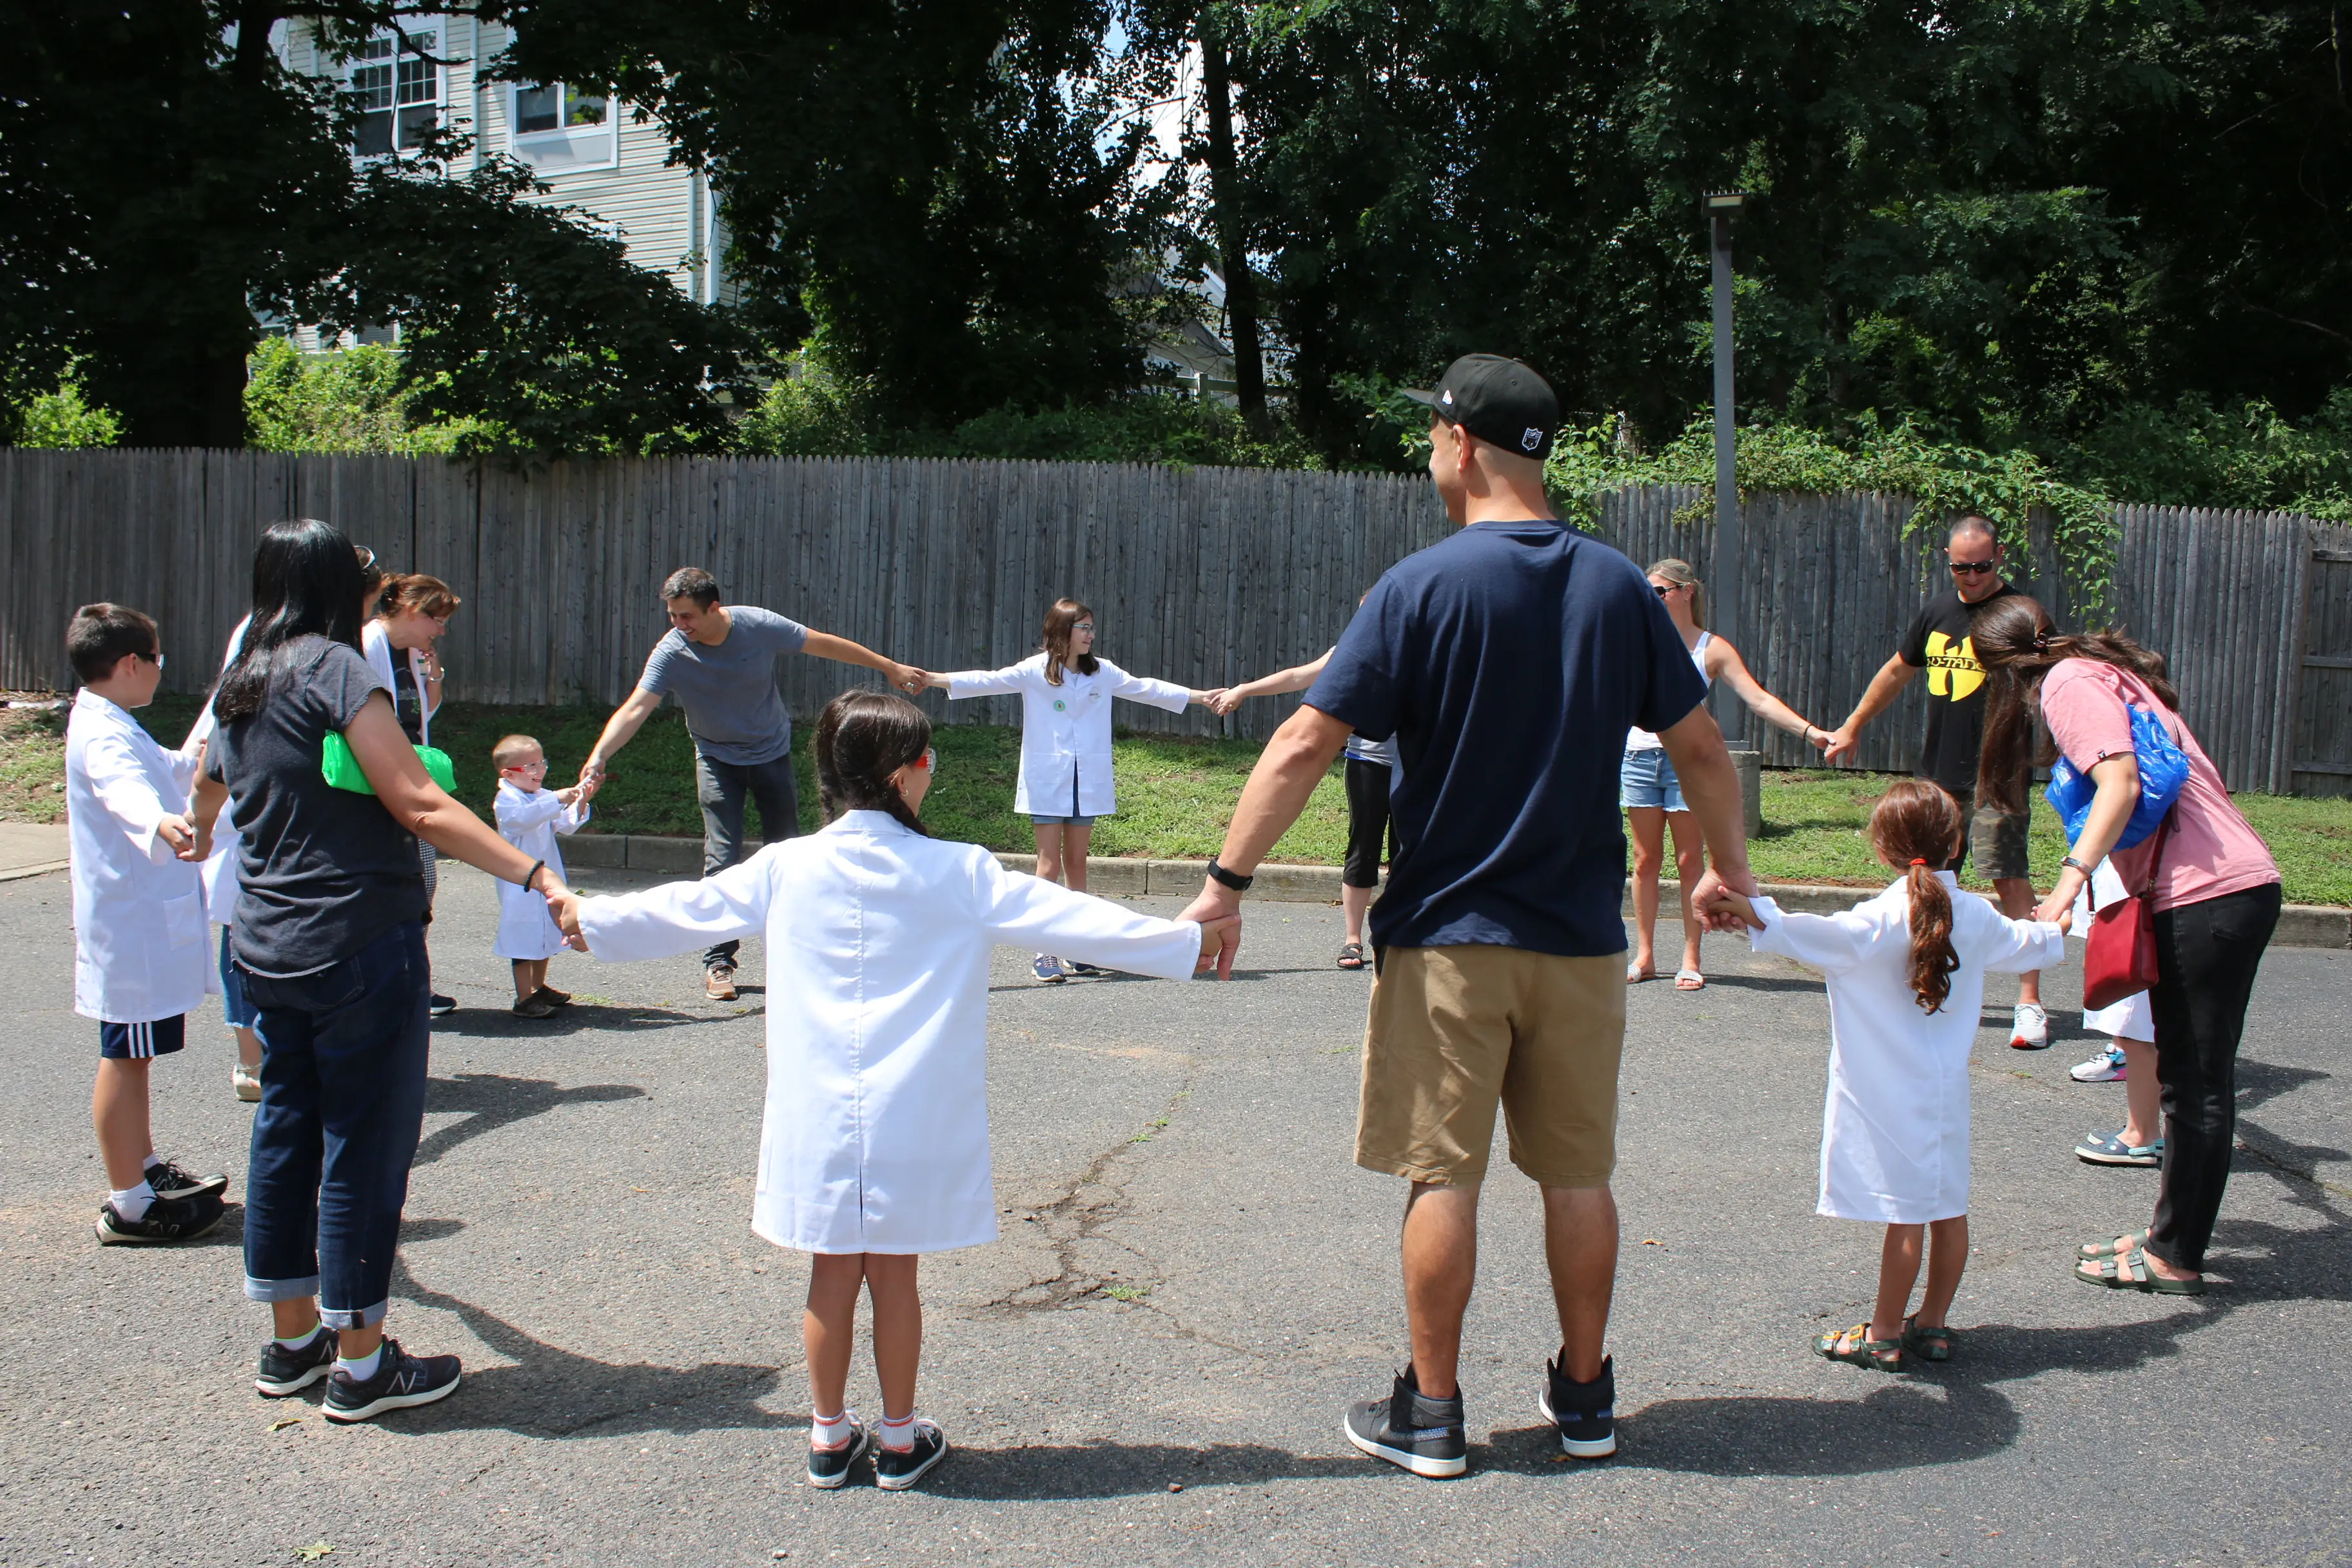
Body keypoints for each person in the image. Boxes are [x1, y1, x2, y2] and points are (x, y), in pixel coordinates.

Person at [1172, 354, 1758, 1476]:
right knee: (1578, 1173)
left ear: (1459, 444)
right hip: (1582, 939)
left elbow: (1304, 742)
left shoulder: (1418, 588)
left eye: (1430, 438)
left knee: (1443, 1175)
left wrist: (1226, 884)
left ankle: (1430, 1415)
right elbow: (1698, 748)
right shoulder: (1619, 589)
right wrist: (1718, 872)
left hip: (1447, 937)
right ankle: (1585, 1401)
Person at [548, 691, 1234, 1491]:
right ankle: (902, 1439)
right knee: (896, 1275)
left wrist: (588, 917)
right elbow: (1073, 919)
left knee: (830, 1271)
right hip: (913, 1115)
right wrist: (1191, 939)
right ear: (909, 773)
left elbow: (683, 909)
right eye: (927, 757)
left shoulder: (787, 864)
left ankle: (828, 1435)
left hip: (819, 1112)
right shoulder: (961, 868)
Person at [190, 518, 577, 1423]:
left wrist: (197, 832)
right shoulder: (336, 669)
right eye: (364, 579)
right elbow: (417, 800)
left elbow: (209, 785)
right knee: (363, 1142)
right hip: (358, 937)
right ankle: (361, 1363)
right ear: (336, 588)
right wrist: (535, 872)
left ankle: (293, 1343)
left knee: (285, 1128)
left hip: (268, 943)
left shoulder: (244, 678)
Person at [1968, 596, 2282, 1296]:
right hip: (2226, 888)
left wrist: (2070, 880)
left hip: (2208, 894)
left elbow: (2123, 781)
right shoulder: (2106, 671)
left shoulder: (2069, 682)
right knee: (2188, 1079)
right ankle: (2170, 1235)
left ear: (2001, 668)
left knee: (2196, 1086)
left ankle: (2174, 1255)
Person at [1701, 781, 2066, 1370]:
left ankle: (1885, 1333)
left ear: (1881, 850)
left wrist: (1751, 912)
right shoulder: (1976, 915)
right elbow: (2033, 943)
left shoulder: (1874, 922)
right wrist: (2061, 915)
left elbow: (1806, 933)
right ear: (1956, 843)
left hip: (1885, 1099)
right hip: (1947, 1093)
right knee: (1949, 1207)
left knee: (1906, 1214)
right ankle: (1936, 1324)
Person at [578, 567, 928, 1002]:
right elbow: (635, 708)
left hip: (771, 754)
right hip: (716, 758)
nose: (678, 626)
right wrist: (599, 756)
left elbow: (824, 643)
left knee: (790, 852)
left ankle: (803, 953)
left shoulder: (757, 625)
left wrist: (888, 667)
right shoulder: (671, 652)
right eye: (673, 616)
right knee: (722, 855)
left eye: (686, 616)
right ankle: (718, 960)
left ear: (714, 609)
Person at [1819, 516, 2052, 1049]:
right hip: (1940, 776)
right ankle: (1927, 983)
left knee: (2007, 877)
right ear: (1947, 558)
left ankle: (2030, 1004)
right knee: (1927, 881)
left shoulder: (2023, 615)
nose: (1970, 576)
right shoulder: (1937, 611)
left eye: (1981, 566)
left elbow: (2051, 684)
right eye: (1960, 566)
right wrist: (1853, 725)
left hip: (1999, 776)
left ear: (2000, 559)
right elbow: (1898, 670)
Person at [930, 600, 1222, 984]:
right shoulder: (1033, 672)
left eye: (1091, 628)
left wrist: (1202, 697)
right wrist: (930, 679)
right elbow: (987, 680)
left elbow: (1146, 689)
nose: (1090, 634)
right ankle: (1044, 950)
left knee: (1079, 863)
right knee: (1048, 864)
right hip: (1047, 779)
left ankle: (1079, 947)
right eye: (1083, 627)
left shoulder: (1102, 673)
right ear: (1061, 631)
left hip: (1087, 780)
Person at [65, 603, 231, 1243]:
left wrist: (221, 705)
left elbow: (173, 765)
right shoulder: (104, 734)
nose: (161, 672)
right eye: (158, 660)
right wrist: (161, 822)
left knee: (134, 1055)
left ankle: (143, 1165)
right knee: (125, 1057)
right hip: (129, 931)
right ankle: (129, 1202)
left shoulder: (112, 719)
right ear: (131, 662)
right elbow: (126, 789)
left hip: (139, 923)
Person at [1622, 558, 1824, 990]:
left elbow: (1758, 699)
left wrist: (1809, 732)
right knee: (1644, 861)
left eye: (1660, 591)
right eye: (1647, 593)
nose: (1652, 600)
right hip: (1638, 760)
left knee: (1689, 860)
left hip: (1686, 764)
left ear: (1686, 592)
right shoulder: (1638, 641)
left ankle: (1691, 958)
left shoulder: (1710, 648)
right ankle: (1645, 955)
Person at [1211, 638, 1396, 970]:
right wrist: (1243, 690)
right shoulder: (1354, 649)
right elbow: (1298, 676)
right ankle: (1353, 939)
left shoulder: (1426, 644)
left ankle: (1399, 936)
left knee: (1409, 853)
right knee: (1363, 848)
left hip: (1419, 766)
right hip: (1368, 762)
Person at [365, 574, 460, 1016]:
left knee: (421, 885)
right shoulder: (367, 646)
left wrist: (433, 674)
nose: (439, 630)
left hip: (409, 782)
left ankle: (411, 982)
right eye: (436, 620)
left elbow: (420, 711)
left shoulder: (408, 651)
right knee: (399, 889)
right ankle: (395, 986)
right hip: (383, 791)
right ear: (412, 610)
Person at [2066, 857, 2162, 1167]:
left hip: (2134, 879)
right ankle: (2142, 1128)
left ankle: (2142, 1136)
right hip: (2130, 877)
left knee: (2135, 1026)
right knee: (2132, 1026)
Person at [491, 734, 594, 1018]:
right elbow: (521, 821)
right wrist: (556, 800)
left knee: (548, 931)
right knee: (524, 936)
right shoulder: (506, 801)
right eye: (531, 767)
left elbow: (565, 824)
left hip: (546, 878)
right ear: (508, 774)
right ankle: (523, 998)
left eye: (541, 763)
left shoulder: (540, 796)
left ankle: (539, 985)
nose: (539, 772)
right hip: (520, 883)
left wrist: (581, 800)